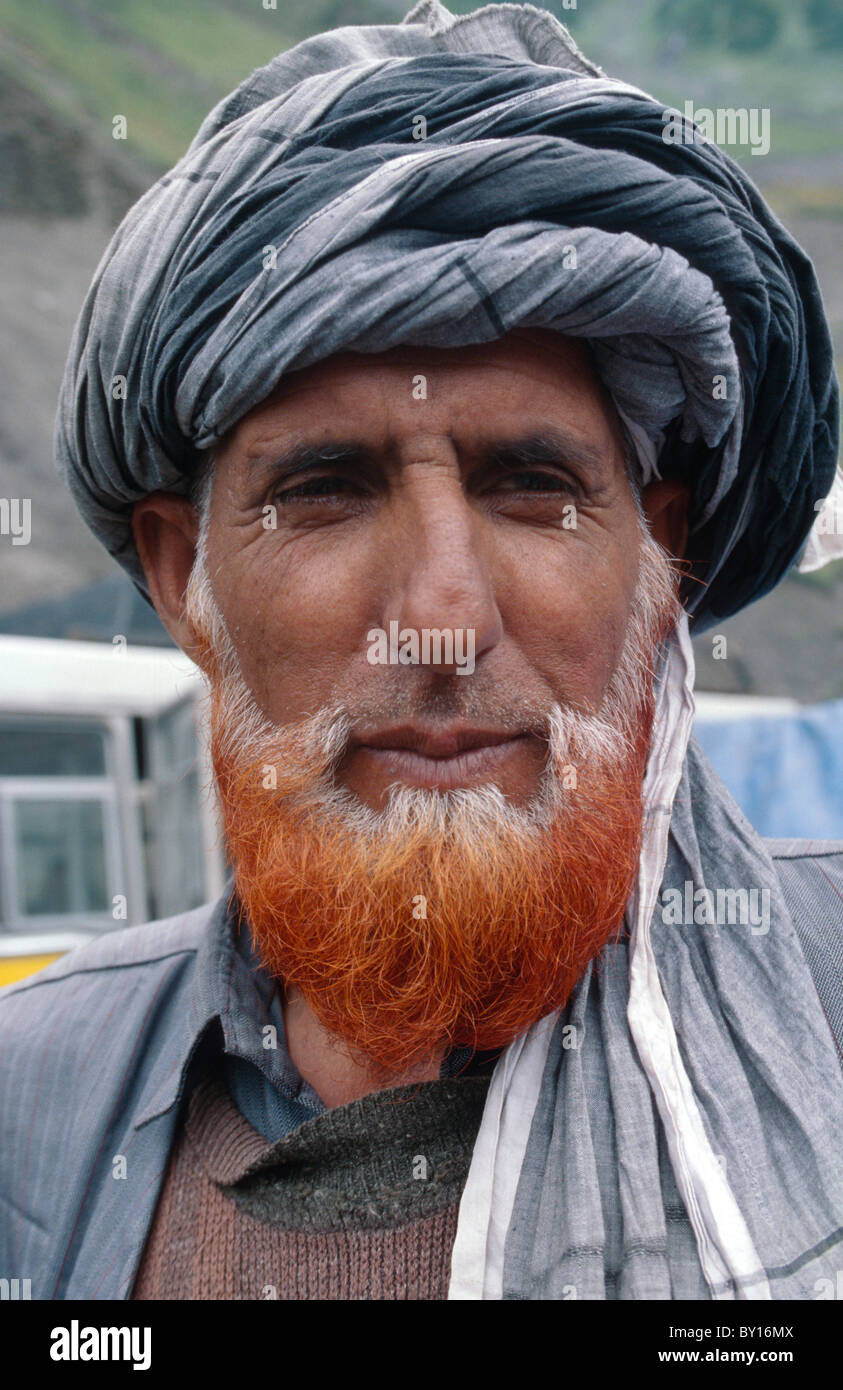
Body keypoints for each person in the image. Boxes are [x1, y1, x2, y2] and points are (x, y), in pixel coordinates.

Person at [2, 0, 842, 1301]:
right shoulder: (33, 1098)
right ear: (182, 579)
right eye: (325, 488)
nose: (443, 620)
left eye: (533, 487)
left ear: (661, 563)